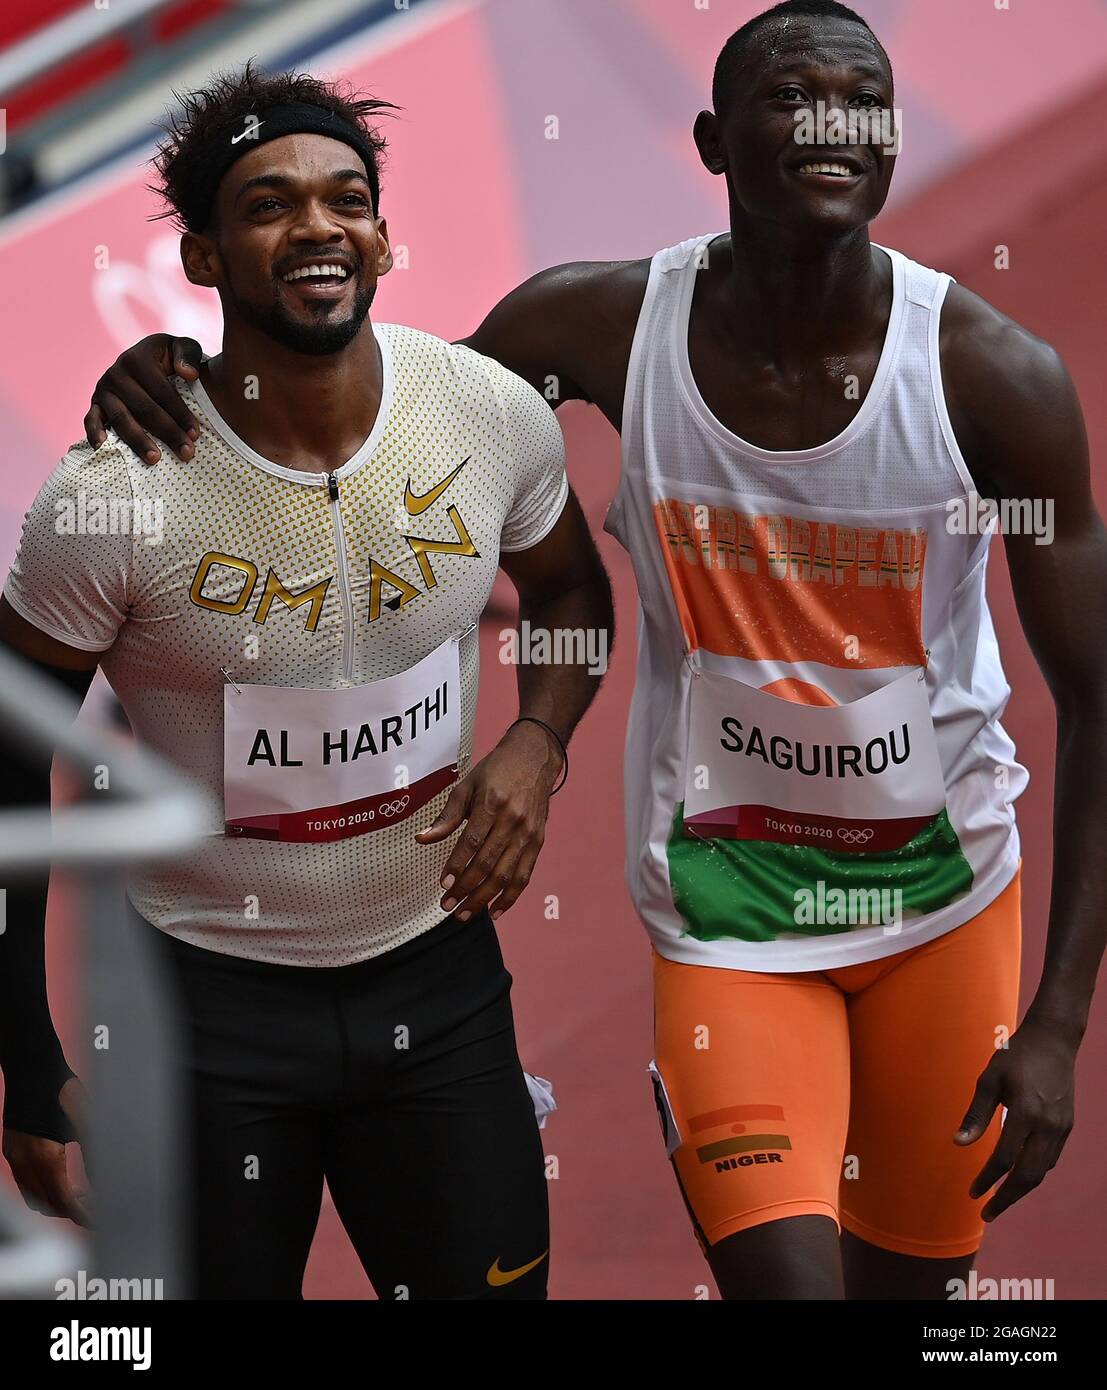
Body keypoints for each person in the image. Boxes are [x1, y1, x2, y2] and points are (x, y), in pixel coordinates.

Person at [76, 0, 1107, 1301]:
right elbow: (355, 420)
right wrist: (169, 367)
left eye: (859, 101)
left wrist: (1059, 1017)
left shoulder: (989, 376)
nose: (827, 125)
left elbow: (1093, 695)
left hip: (944, 906)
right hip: (726, 911)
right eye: (790, 97)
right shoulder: (596, 328)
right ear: (707, 138)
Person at [0, 65, 614, 1300]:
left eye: (345, 198)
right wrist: (29, 1060)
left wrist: (537, 746)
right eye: (269, 204)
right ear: (207, 257)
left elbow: (569, 596)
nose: (316, 226)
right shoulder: (113, 495)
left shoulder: (488, 416)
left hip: (438, 986)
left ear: (384, 237)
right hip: (205, 1023)